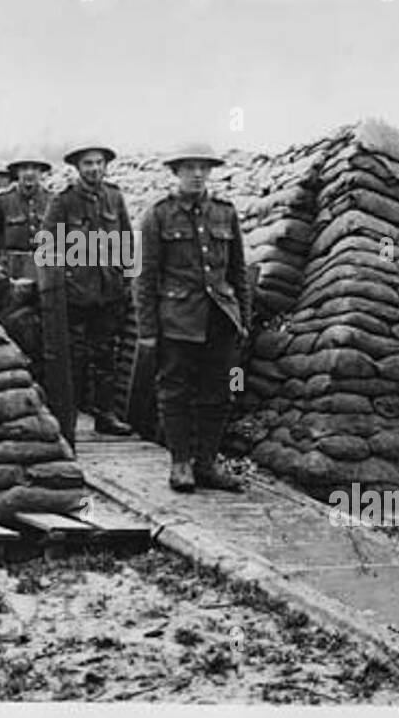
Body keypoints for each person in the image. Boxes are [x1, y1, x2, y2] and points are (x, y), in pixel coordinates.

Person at [135, 144, 251, 492]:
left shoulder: (225, 213)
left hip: (220, 320)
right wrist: (147, 331)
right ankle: (180, 463)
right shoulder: (158, 215)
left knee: (221, 392)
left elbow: (238, 271)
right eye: (190, 168)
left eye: (204, 168)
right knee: (175, 392)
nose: (198, 174)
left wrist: (243, 319)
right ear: (176, 172)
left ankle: (206, 464)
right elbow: (145, 277)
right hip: (178, 320)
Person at [41, 144, 134, 436]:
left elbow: (127, 242)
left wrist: (126, 279)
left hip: (109, 293)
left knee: (107, 355)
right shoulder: (64, 202)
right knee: (74, 358)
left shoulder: (114, 197)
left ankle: (105, 415)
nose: (94, 168)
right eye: (88, 163)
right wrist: (65, 282)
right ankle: (68, 418)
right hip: (75, 295)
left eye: (99, 163)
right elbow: (47, 247)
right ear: (77, 168)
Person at [0, 156, 51, 282]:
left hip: (45, 269)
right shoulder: (2, 199)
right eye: (24, 168)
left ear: (41, 172)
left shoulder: (51, 199)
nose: (29, 173)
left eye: (35, 168)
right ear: (17, 172)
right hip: (11, 271)